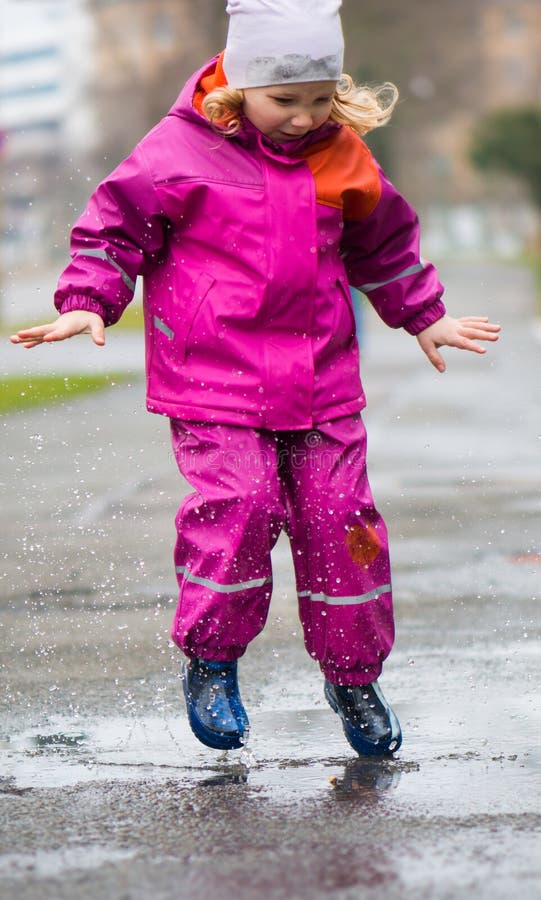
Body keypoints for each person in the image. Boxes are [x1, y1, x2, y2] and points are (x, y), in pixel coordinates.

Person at [10, 0, 500, 757]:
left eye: (318, 100)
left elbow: (384, 244)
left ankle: (353, 675)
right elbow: (112, 229)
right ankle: (211, 663)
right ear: (235, 88)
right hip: (213, 378)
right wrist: (86, 301)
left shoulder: (341, 155)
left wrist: (423, 314)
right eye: (284, 102)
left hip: (321, 379)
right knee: (239, 507)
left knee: (343, 523)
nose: (304, 119)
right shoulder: (176, 150)